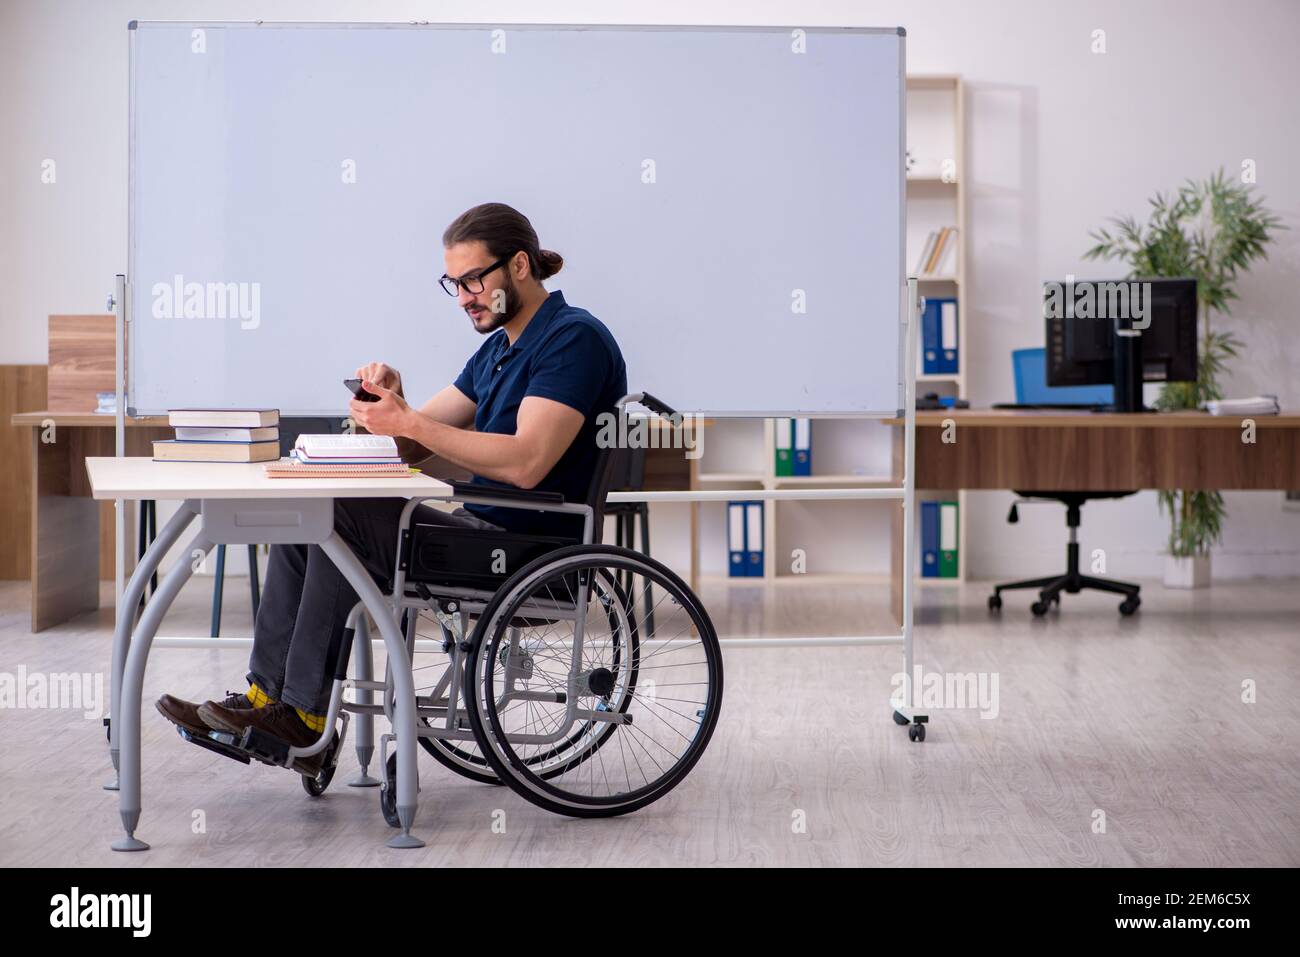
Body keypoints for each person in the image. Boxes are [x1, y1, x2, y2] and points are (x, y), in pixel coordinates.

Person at [156, 202, 628, 775]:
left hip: (528, 553)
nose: (464, 297)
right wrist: (392, 408)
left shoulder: (571, 339)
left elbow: (528, 462)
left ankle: (304, 719)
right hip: (486, 533)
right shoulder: (499, 351)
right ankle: (268, 700)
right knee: (306, 506)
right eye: (453, 284)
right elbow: (410, 446)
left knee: (341, 515)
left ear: (520, 266)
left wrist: (410, 422)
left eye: (475, 279)